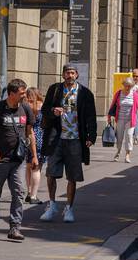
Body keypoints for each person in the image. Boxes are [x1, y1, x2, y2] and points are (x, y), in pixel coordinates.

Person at [40, 64, 97, 224]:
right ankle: (51, 205)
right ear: (63, 74)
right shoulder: (55, 89)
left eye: (72, 73)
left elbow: (91, 117)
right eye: (67, 73)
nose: (70, 75)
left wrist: (91, 137)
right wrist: (53, 111)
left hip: (75, 139)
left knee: (72, 176)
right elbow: (44, 109)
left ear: (77, 75)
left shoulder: (85, 93)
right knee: (51, 173)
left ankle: (69, 208)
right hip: (56, 138)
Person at [0, 79, 37, 241]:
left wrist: (33, 155)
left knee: (19, 193)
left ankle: (15, 228)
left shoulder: (25, 108)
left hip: (18, 160)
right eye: (21, 93)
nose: (24, 96)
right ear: (12, 93)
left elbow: (30, 133)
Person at [108, 75, 138, 163]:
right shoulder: (118, 93)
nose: (128, 87)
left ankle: (127, 155)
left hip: (130, 120)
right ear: (123, 85)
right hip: (120, 119)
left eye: (130, 86)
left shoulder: (135, 95)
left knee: (129, 136)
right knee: (119, 137)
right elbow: (112, 105)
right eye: (126, 85)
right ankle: (118, 152)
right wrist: (109, 117)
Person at [24, 86, 45, 205]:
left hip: (27, 137)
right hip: (39, 137)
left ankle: (28, 192)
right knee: (36, 167)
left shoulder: (26, 106)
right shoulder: (41, 106)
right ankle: (33, 195)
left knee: (28, 166)